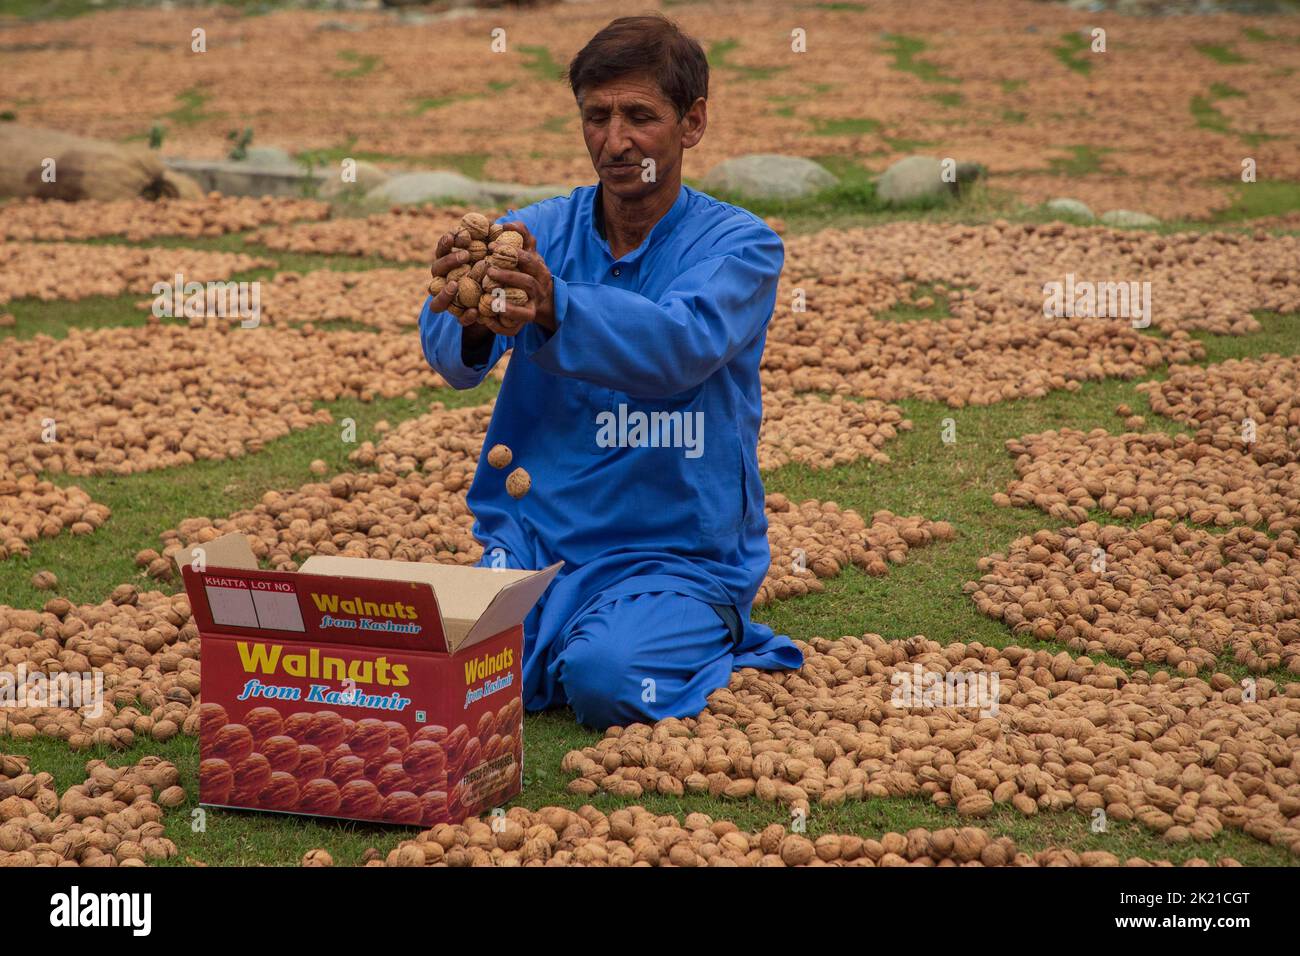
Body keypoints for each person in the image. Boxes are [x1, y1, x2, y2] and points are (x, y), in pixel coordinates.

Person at [419, 14, 802, 728]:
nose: (615, 141)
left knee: (604, 680)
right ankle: (558, 630)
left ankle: (702, 628)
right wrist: (470, 315)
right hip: (539, 542)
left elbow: (679, 347)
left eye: (639, 117)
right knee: (433, 660)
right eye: (596, 116)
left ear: (692, 124)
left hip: (674, 553)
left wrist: (554, 305)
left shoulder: (742, 248)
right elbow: (451, 358)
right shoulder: (541, 231)